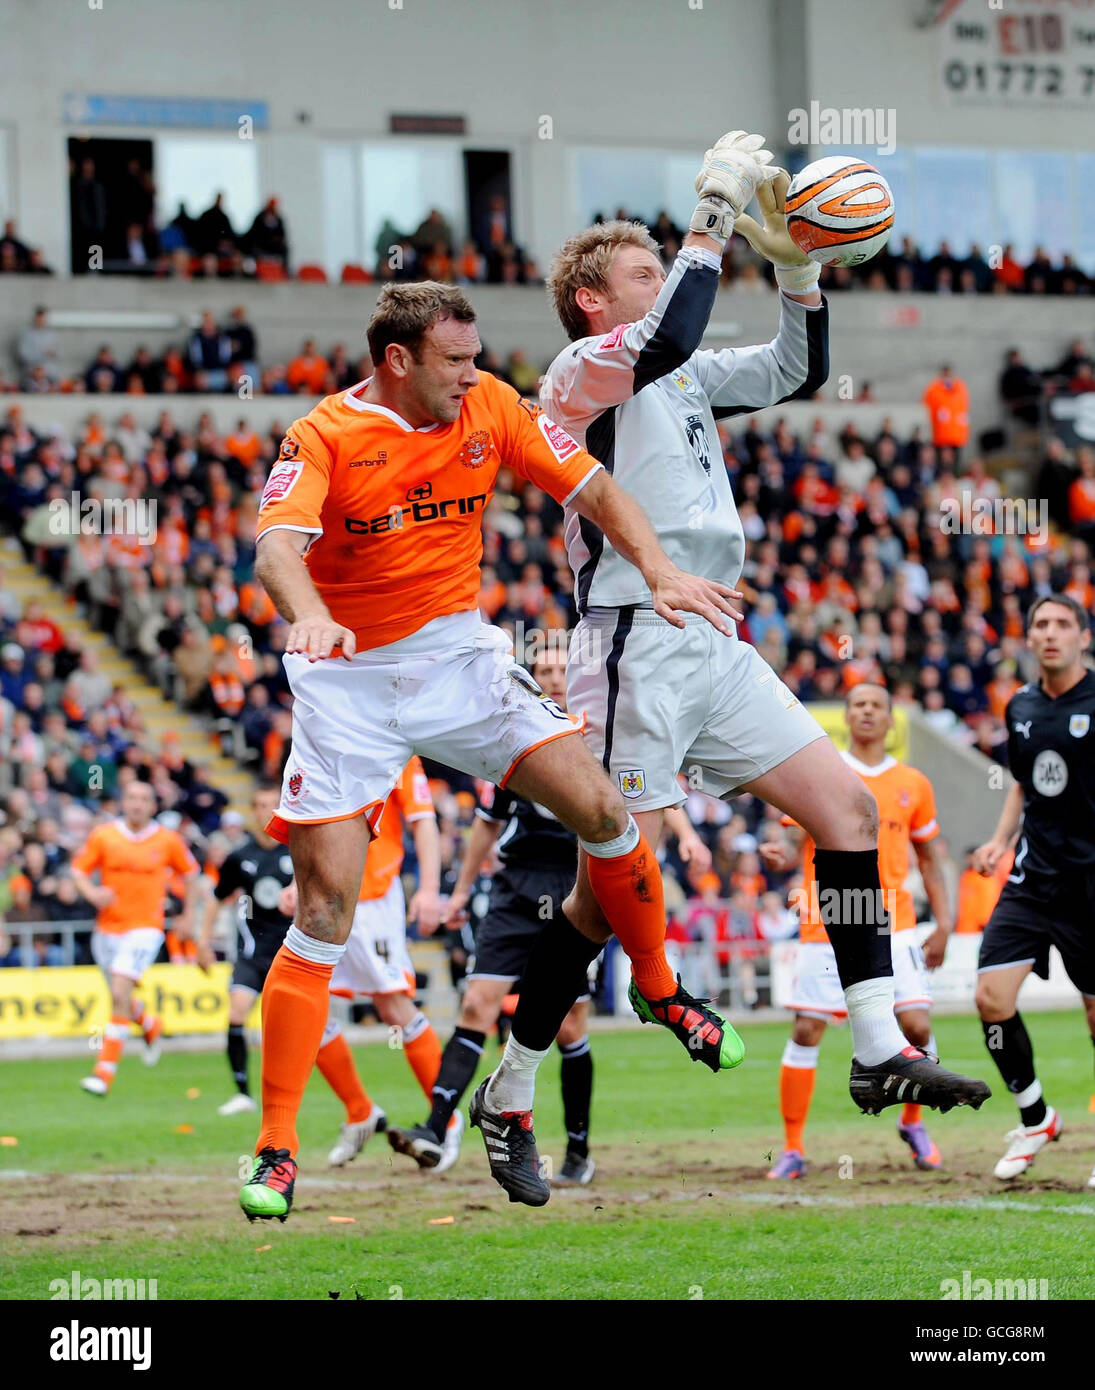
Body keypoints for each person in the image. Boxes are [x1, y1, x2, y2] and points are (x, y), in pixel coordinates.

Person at [472, 135, 989, 1205]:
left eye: (667, 266)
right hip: (632, 639)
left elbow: (794, 367)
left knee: (848, 810)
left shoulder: (683, 362)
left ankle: (876, 1039)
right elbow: (666, 341)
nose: (665, 275)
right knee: (610, 899)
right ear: (587, 297)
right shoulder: (579, 374)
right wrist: (711, 210)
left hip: (714, 629)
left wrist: (798, 266)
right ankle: (510, 1089)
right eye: (642, 271)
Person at [237, 278, 740, 1222]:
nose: (472, 376)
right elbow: (277, 546)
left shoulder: (493, 406)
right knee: (324, 909)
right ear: (398, 360)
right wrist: (308, 620)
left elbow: (590, 485)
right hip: (345, 677)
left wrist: (661, 568)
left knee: (602, 809)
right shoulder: (322, 434)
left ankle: (663, 991)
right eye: (454, 361)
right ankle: (274, 1146)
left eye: (474, 359)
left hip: (458, 658)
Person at [387, 648, 709, 1185]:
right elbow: (487, 825)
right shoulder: (510, 734)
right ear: (532, 680)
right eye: (545, 671)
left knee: (569, 1026)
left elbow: (649, 790)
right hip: (515, 885)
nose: (556, 678)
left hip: (575, 884)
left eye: (564, 670)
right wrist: (462, 891)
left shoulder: (601, 733)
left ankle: (579, 1152)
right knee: (476, 1003)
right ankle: (436, 1128)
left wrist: (689, 837)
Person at [761, 683, 954, 1179]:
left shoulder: (915, 782)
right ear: (847, 718)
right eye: (858, 705)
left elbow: (932, 857)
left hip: (898, 921)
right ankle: (793, 1147)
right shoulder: (826, 772)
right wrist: (781, 848)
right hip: (827, 915)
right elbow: (789, 831)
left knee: (917, 1027)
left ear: (892, 722)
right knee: (807, 1029)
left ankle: (913, 1124)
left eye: (877, 706)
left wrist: (946, 922)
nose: (867, 712)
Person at [972, 595, 1095, 1189]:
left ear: (1083, 637)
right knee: (991, 999)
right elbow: (1022, 784)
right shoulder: (1019, 704)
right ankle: (1036, 1116)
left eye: (1062, 625)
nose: (1049, 634)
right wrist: (999, 841)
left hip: (1091, 885)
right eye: (1040, 625)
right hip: (1030, 878)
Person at [309, 757, 453, 1169]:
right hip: (322, 895)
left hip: (371, 898)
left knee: (392, 1005)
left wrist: (428, 889)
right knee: (306, 1008)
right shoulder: (321, 737)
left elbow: (423, 821)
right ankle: (360, 1112)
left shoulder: (396, 750)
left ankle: (446, 1120)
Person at [71, 781, 199, 1095]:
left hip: (145, 929)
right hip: (107, 930)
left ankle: (103, 1073)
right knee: (122, 998)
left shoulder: (167, 840)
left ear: (153, 806)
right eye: (132, 798)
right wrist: (92, 893)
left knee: (118, 993)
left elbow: (191, 873)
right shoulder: (105, 835)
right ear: (123, 802)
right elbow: (78, 871)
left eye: (144, 798)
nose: (137, 804)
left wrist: (187, 916)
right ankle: (151, 1025)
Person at [196, 784, 295, 1115]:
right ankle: (242, 1092)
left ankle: (284, 1093)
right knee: (237, 1012)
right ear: (253, 811)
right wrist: (204, 941)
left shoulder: (296, 850)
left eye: (272, 804)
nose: (267, 810)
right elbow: (215, 898)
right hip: (252, 951)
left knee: (284, 1025)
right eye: (261, 805)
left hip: (290, 951)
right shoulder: (240, 857)